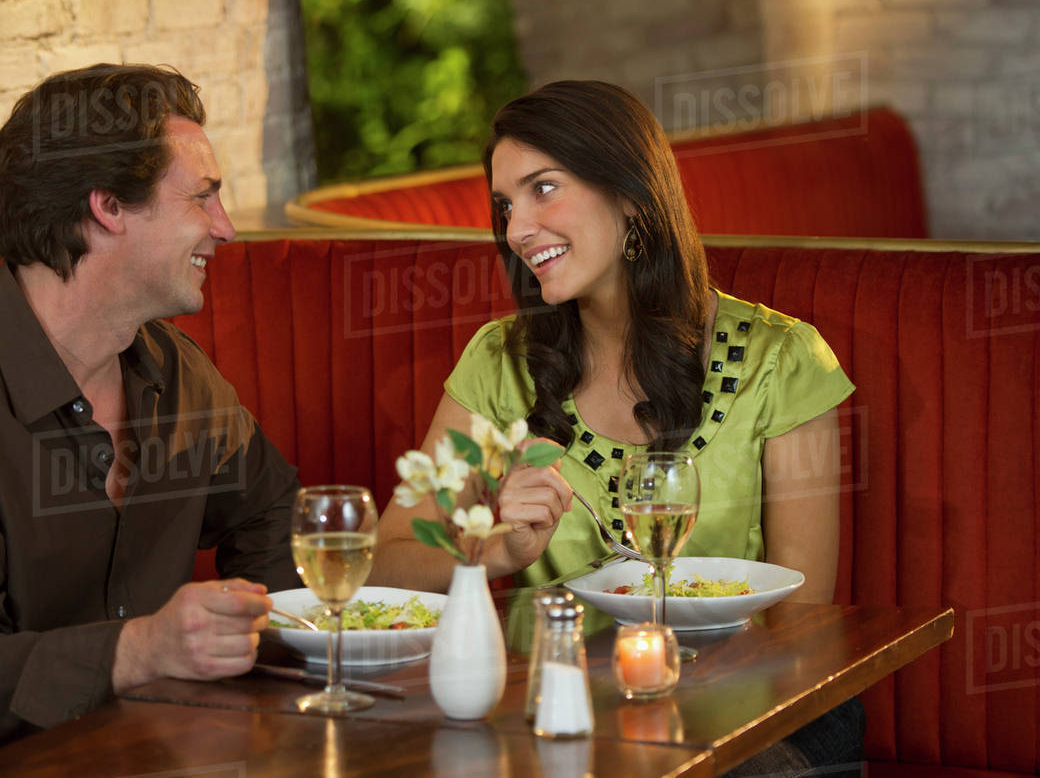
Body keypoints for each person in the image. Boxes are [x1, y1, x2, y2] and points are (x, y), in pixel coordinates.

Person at [369, 80, 862, 775]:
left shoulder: (781, 360)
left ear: (631, 195)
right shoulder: (500, 363)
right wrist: (495, 552)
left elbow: (803, 622)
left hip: (748, 711)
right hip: (559, 713)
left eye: (543, 189)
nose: (515, 230)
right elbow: (384, 562)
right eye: (505, 206)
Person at [0, 64, 300, 775]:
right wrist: (140, 651)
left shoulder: (175, 371)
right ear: (108, 206)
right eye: (202, 198)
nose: (226, 228)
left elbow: (273, 511)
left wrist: (270, 640)